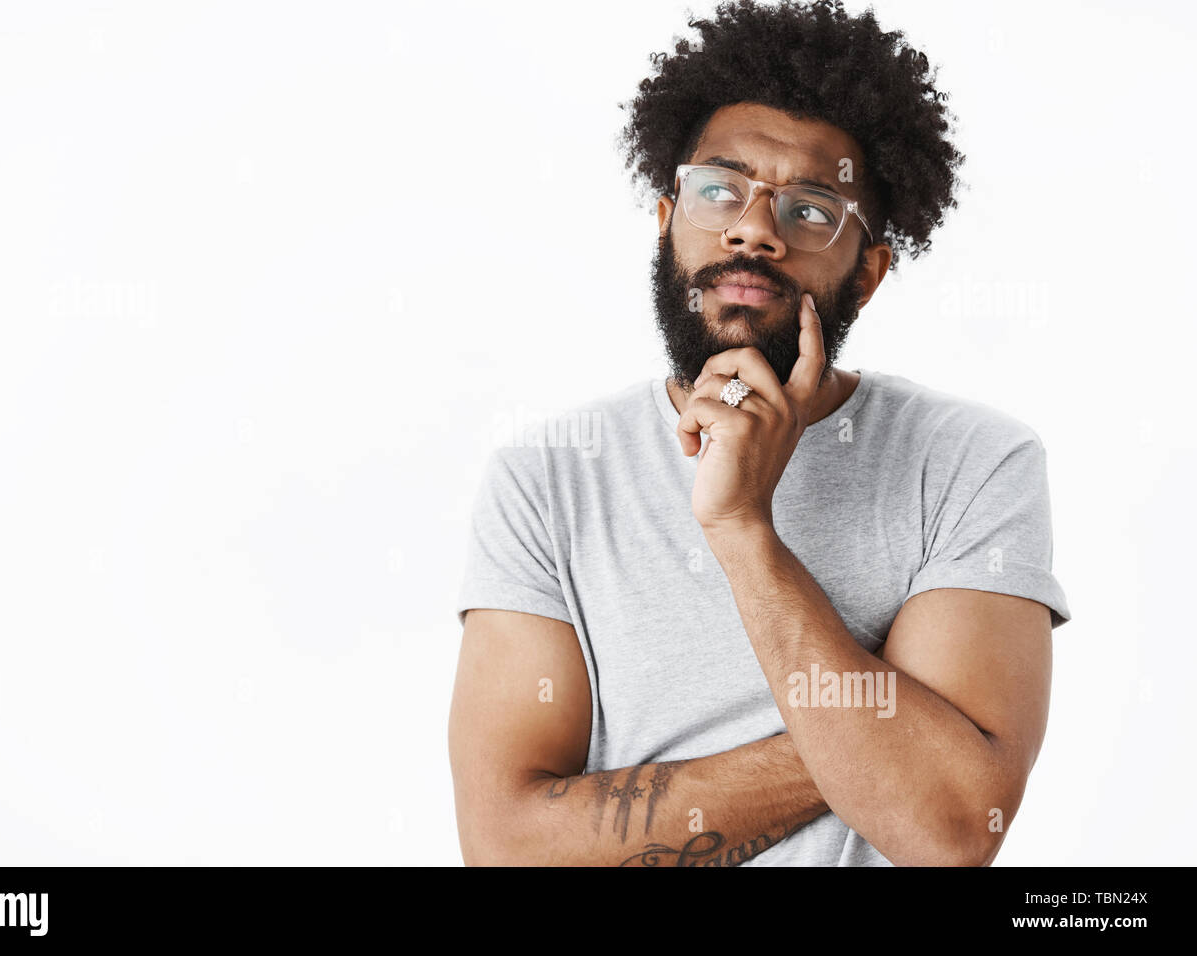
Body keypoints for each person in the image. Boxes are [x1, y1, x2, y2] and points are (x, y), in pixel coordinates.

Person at [448, 0, 1071, 866]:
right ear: (667, 220)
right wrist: (881, 738)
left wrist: (742, 532)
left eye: (811, 210)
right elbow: (507, 846)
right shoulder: (547, 478)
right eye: (719, 190)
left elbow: (953, 831)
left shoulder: (970, 463)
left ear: (869, 274)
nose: (753, 229)